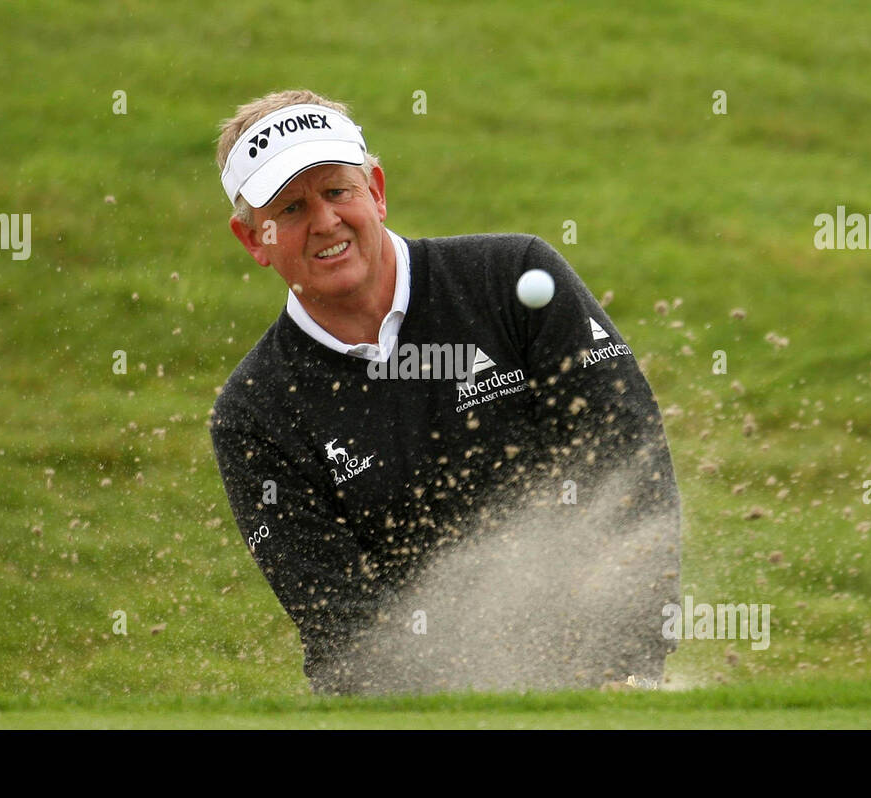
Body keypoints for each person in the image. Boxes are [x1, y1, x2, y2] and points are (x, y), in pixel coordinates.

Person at [208, 89, 680, 694]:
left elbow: (628, 462)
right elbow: (338, 616)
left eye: (337, 191)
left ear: (375, 191)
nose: (325, 221)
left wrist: (628, 669)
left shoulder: (514, 278)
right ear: (254, 240)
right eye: (292, 208)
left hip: (600, 676)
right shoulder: (254, 412)